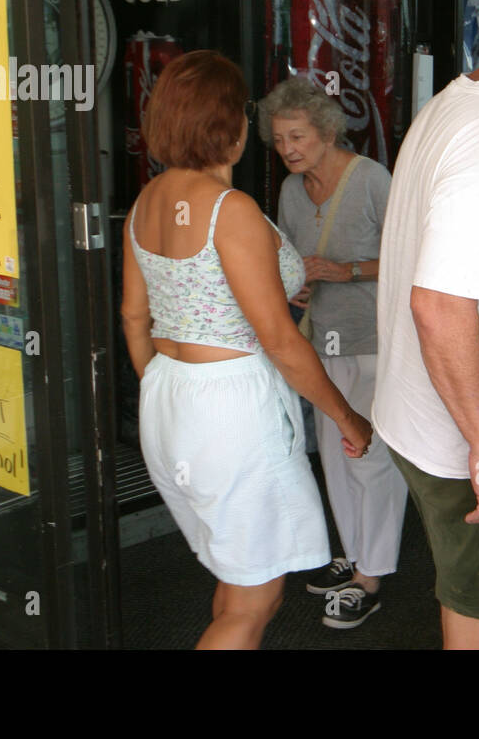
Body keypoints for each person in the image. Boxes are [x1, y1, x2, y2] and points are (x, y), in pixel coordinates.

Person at [120, 50, 372, 650]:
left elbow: (134, 316)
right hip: (230, 408)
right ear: (228, 125)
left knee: (238, 579)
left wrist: (170, 391)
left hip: (167, 395)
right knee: (256, 600)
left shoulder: (148, 200)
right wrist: (347, 416)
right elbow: (281, 341)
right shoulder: (229, 211)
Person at [372, 0, 479, 650]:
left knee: (477, 593)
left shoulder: (455, 102)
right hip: (461, 441)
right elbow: (436, 302)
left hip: (429, 421)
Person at [261, 76, 406, 630]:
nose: (288, 149)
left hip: (374, 340)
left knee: (369, 458)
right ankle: (354, 553)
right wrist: (297, 285)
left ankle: (372, 576)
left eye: (296, 136)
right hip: (321, 340)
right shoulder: (292, 192)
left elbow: (411, 256)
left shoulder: (371, 180)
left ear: (326, 132)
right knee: (336, 459)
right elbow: (292, 260)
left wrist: (349, 271)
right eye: (278, 140)